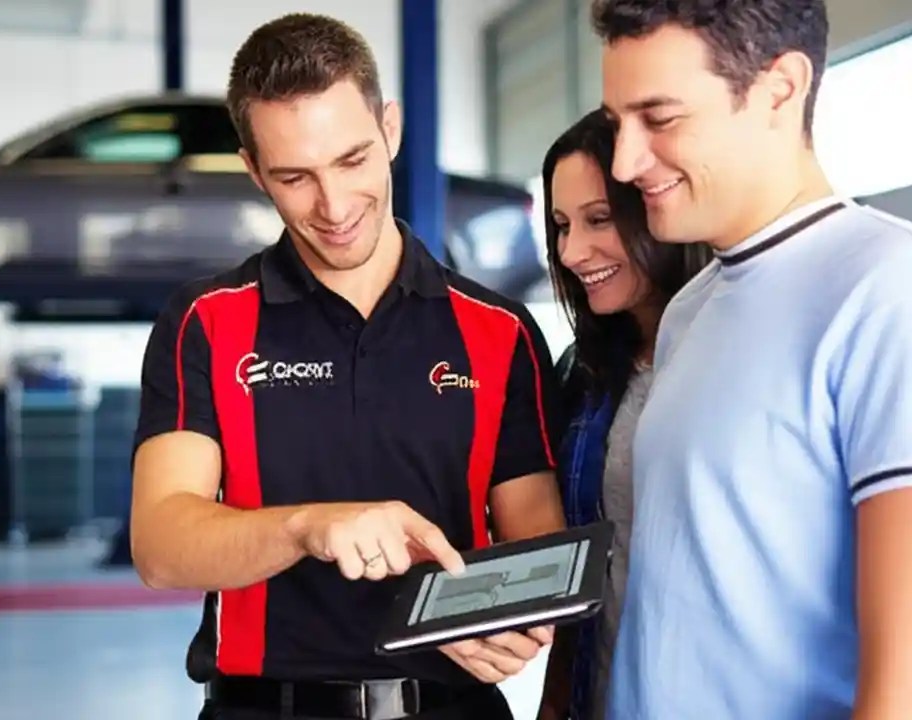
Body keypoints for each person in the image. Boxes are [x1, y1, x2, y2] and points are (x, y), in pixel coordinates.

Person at [130, 12, 568, 720]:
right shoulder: (206, 322)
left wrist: (498, 619)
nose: (333, 206)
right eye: (294, 176)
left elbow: (540, 545)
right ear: (252, 170)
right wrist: (307, 527)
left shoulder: (500, 332)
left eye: (353, 160)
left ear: (389, 129)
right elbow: (161, 546)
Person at [590, 1, 912, 718]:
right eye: (619, 124)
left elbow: (902, 686)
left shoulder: (887, 291)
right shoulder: (690, 308)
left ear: (779, 89)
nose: (624, 162)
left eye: (660, 119)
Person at [530, 110, 711, 720]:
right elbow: (578, 577)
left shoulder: (733, 360)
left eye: (599, 219)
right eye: (560, 226)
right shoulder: (581, 374)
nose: (573, 252)